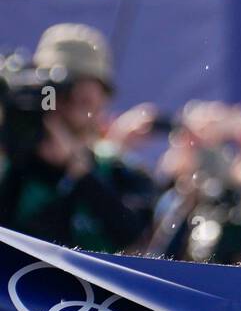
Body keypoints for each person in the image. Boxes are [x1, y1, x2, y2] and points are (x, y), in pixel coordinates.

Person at [0, 23, 156, 253]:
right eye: (60, 90)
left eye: (86, 97)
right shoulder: (16, 170)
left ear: (104, 99)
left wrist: (78, 171)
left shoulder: (119, 172)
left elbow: (136, 237)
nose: (72, 100)